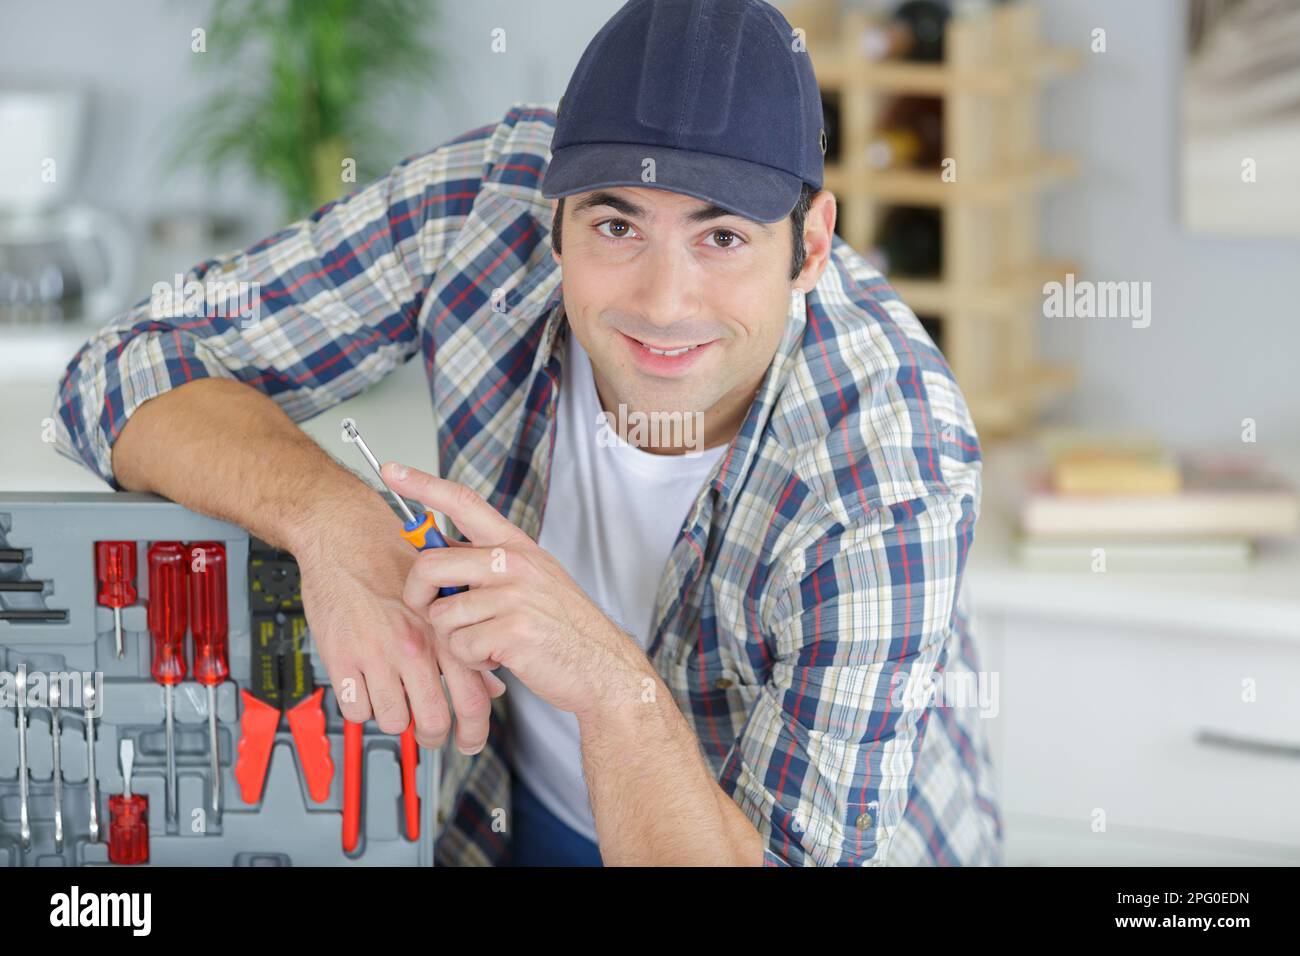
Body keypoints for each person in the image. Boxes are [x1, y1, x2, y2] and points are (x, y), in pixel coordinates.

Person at [54, 0, 1001, 866]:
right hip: (505, 816)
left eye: (722, 237)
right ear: (552, 218)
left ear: (812, 243)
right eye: (616, 226)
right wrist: (333, 523)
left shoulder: (892, 470)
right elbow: (123, 367)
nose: (663, 303)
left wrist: (607, 681)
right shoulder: (482, 205)